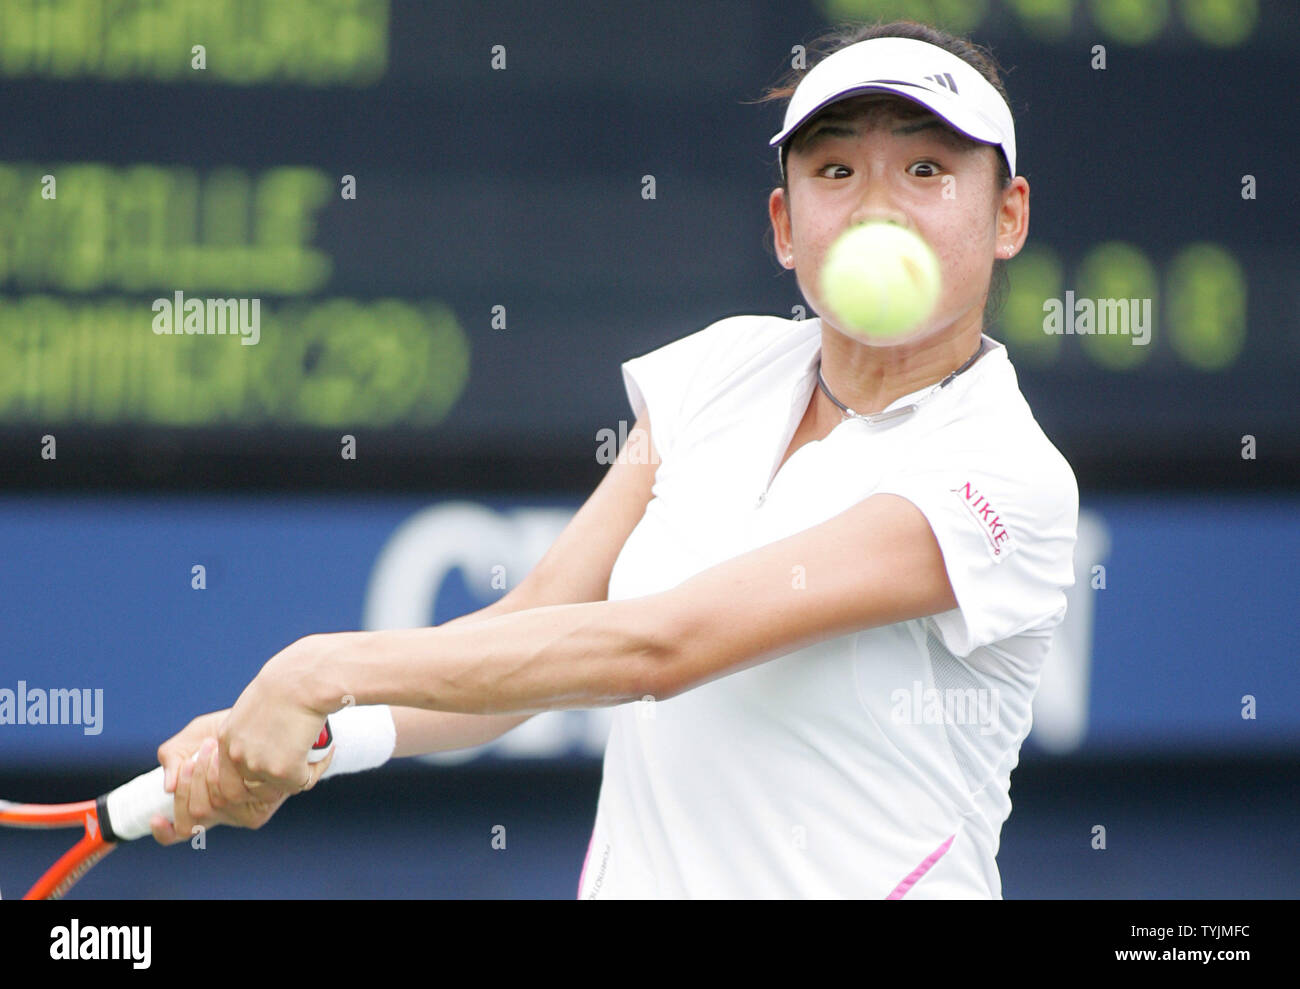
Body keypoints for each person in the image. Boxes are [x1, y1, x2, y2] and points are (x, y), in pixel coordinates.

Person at [152, 20, 1078, 899]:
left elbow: (659, 645)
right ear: (786, 226)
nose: (877, 204)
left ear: (1007, 217)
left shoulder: (1004, 473)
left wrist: (315, 670)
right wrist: (318, 737)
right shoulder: (716, 371)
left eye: (926, 168)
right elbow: (532, 633)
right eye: (835, 169)